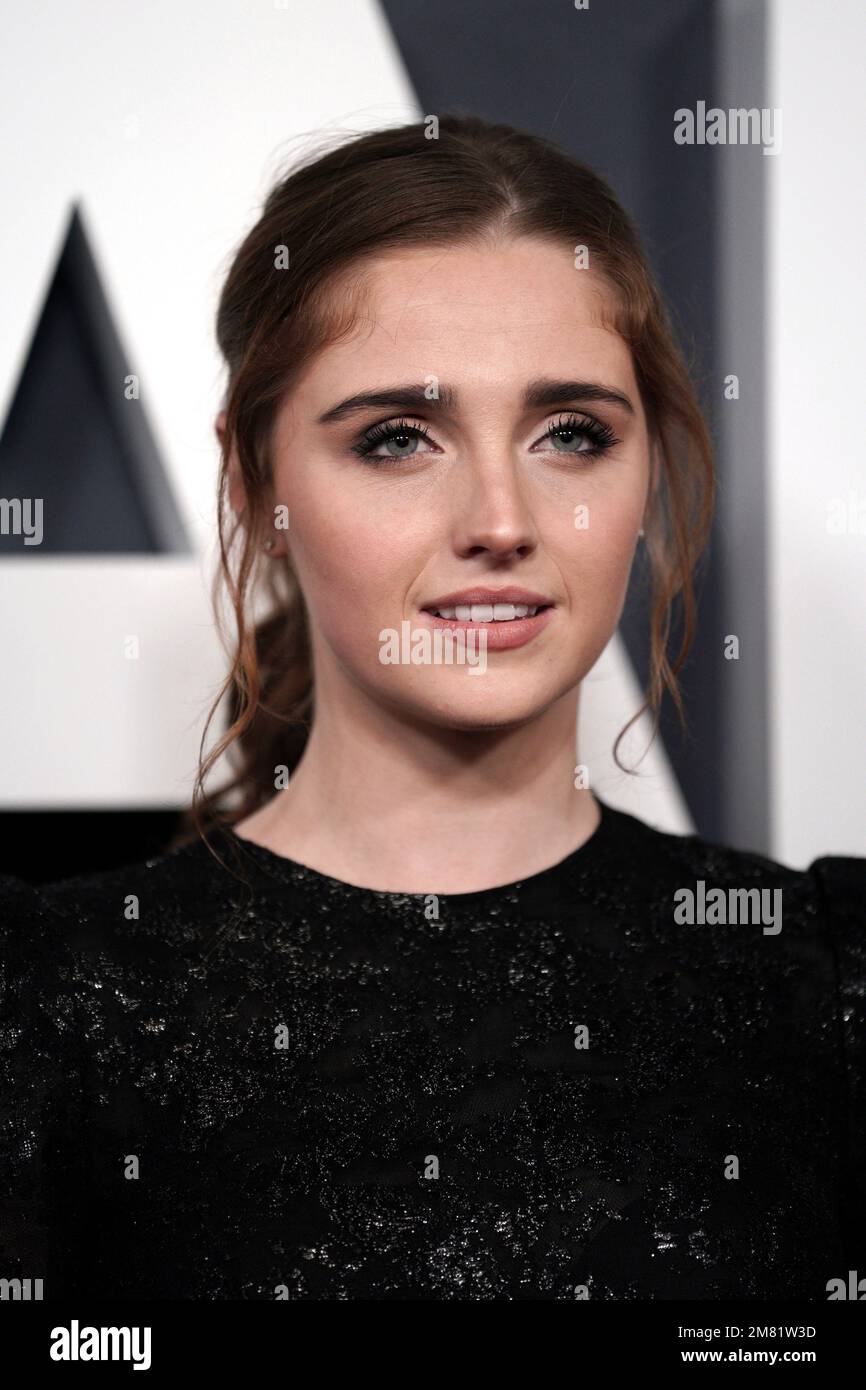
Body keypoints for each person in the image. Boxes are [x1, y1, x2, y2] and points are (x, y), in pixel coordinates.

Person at [1, 115, 863, 1300]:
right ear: (255, 484)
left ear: (644, 464)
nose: (500, 519)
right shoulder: (46, 1006)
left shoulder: (823, 979)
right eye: (398, 438)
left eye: (571, 434)